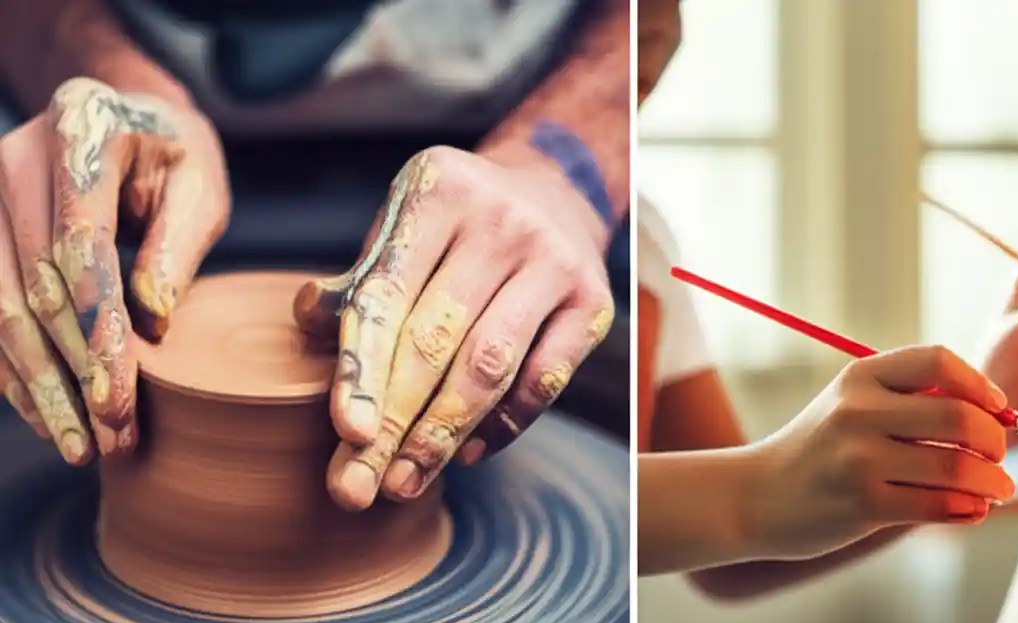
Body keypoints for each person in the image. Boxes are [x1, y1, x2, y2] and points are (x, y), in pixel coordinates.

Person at [634, 0, 1018, 623]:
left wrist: (982, 409)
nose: (663, 25)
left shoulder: (638, 235)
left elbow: (734, 559)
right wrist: (764, 484)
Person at [0, 0, 630, 511]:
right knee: (41, 304)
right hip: (121, 107)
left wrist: (565, 165)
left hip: (513, 134)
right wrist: (102, 71)